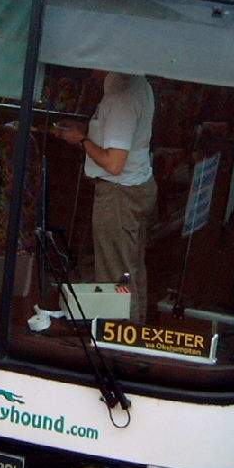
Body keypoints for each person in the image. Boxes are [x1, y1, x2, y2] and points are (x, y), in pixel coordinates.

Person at [52, 71, 156, 323]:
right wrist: (85, 131)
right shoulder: (136, 84)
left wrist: (83, 139)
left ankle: (118, 340)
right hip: (137, 185)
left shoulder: (122, 98)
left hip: (119, 193)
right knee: (131, 268)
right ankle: (135, 328)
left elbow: (114, 163)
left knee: (115, 274)